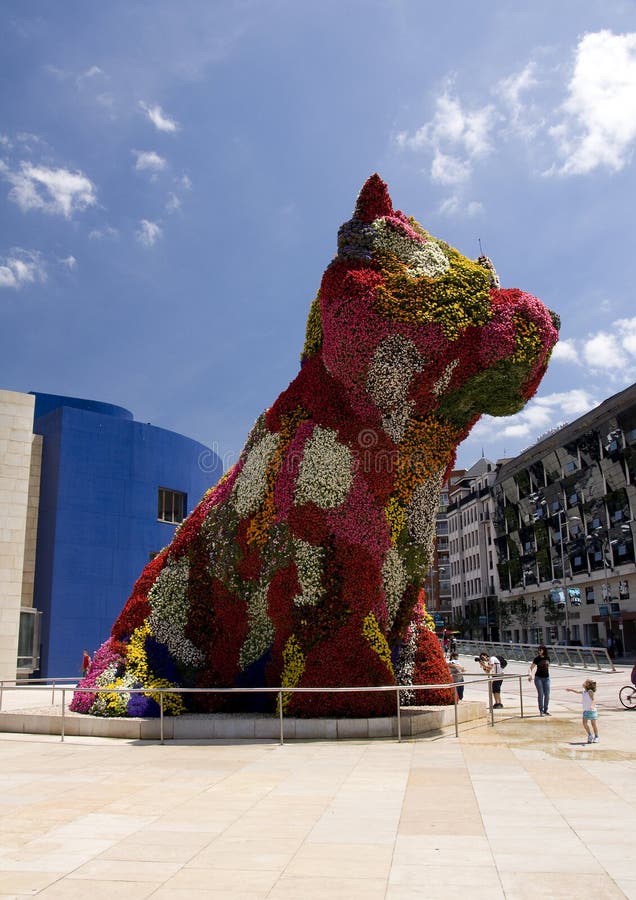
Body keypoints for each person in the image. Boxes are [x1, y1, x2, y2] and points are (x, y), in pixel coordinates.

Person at [528, 645, 551, 716]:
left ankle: (545, 710)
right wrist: (530, 675)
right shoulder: (537, 659)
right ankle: (541, 710)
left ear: (544, 650)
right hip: (538, 678)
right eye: (538, 650)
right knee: (540, 694)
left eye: (540, 650)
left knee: (547, 694)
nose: (539, 651)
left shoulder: (547, 658)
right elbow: (530, 668)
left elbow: (547, 667)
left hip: (546, 678)